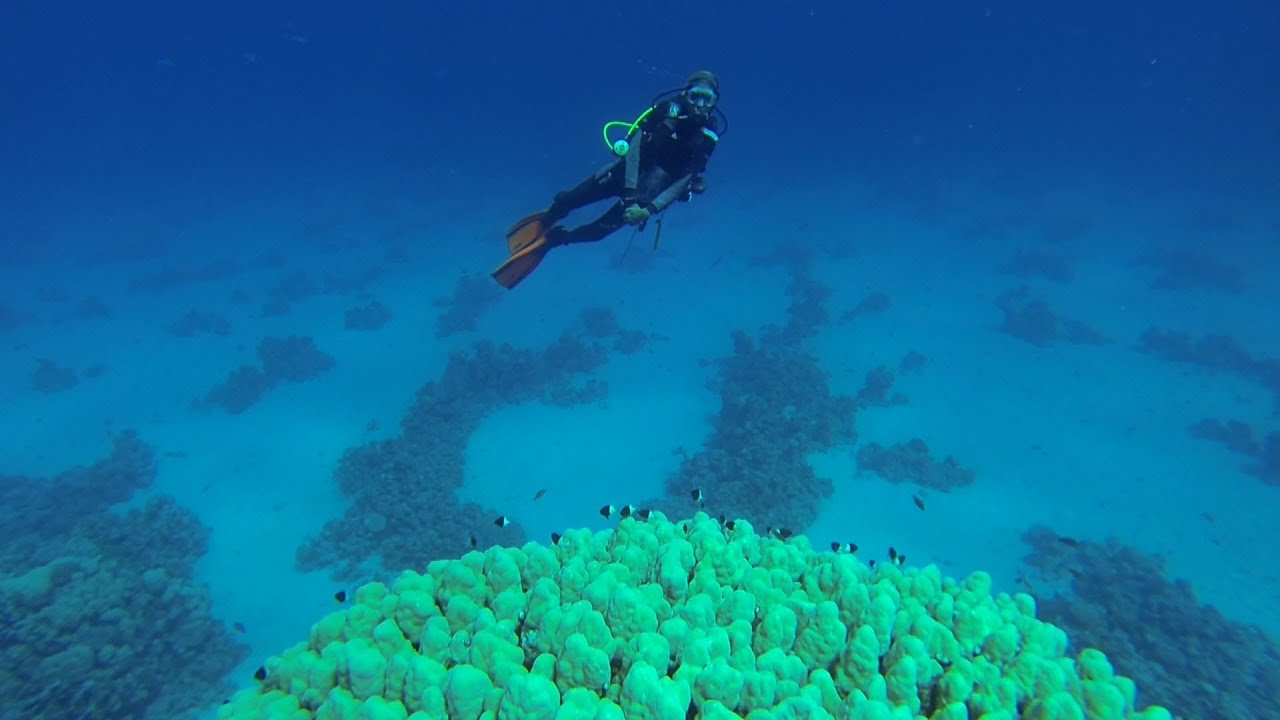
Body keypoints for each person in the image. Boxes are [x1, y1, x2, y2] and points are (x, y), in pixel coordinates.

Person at [492, 70, 724, 289]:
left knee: (596, 233)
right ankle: (549, 217)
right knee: (568, 199)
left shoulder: (709, 133)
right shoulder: (666, 111)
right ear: (686, 93)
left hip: (651, 192)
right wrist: (631, 196)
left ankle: (555, 239)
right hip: (626, 174)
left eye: (707, 99)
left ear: (715, 101)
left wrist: (648, 210)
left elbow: (686, 178)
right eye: (696, 97)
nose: (700, 105)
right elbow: (634, 151)